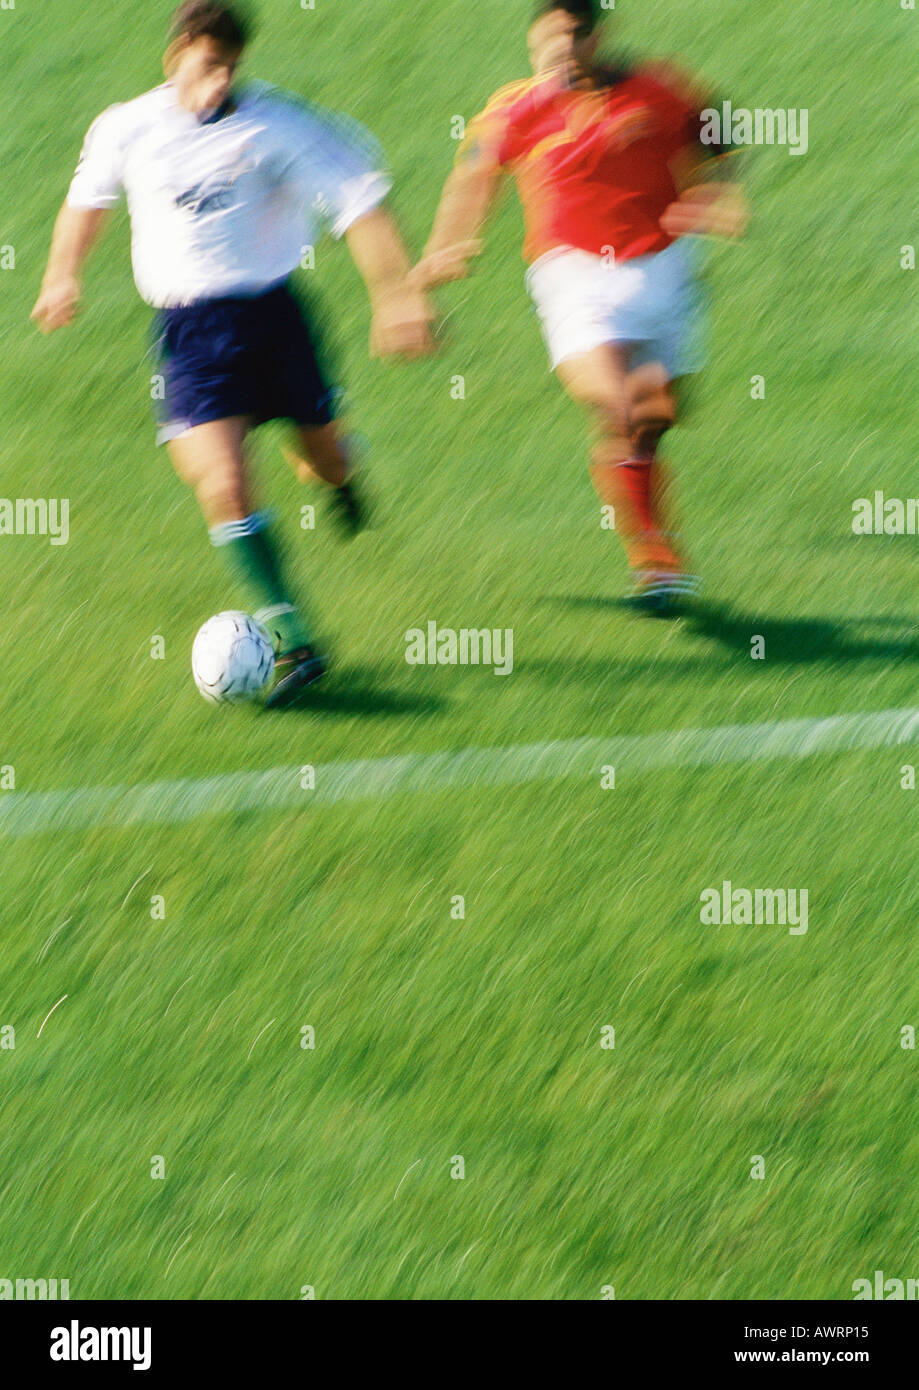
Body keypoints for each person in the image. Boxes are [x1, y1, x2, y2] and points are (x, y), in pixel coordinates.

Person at [32, 1, 435, 704]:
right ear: (175, 55)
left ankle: (336, 475)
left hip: (273, 321)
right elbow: (85, 200)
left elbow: (359, 204)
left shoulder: (277, 124)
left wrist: (395, 296)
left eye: (230, 68)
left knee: (326, 456)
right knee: (220, 482)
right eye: (208, 64)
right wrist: (62, 273)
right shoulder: (127, 128)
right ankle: (296, 639)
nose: (219, 82)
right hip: (189, 337)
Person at [414, 0, 747, 612]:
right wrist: (445, 248)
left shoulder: (661, 87)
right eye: (543, 43)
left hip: (665, 268)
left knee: (655, 415)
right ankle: (655, 559)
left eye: (568, 39)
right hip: (573, 275)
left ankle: (648, 524)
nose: (555, 55)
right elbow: (474, 175)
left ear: (598, 38)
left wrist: (719, 193)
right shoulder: (518, 107)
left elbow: (723, 138)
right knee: (618, 405)